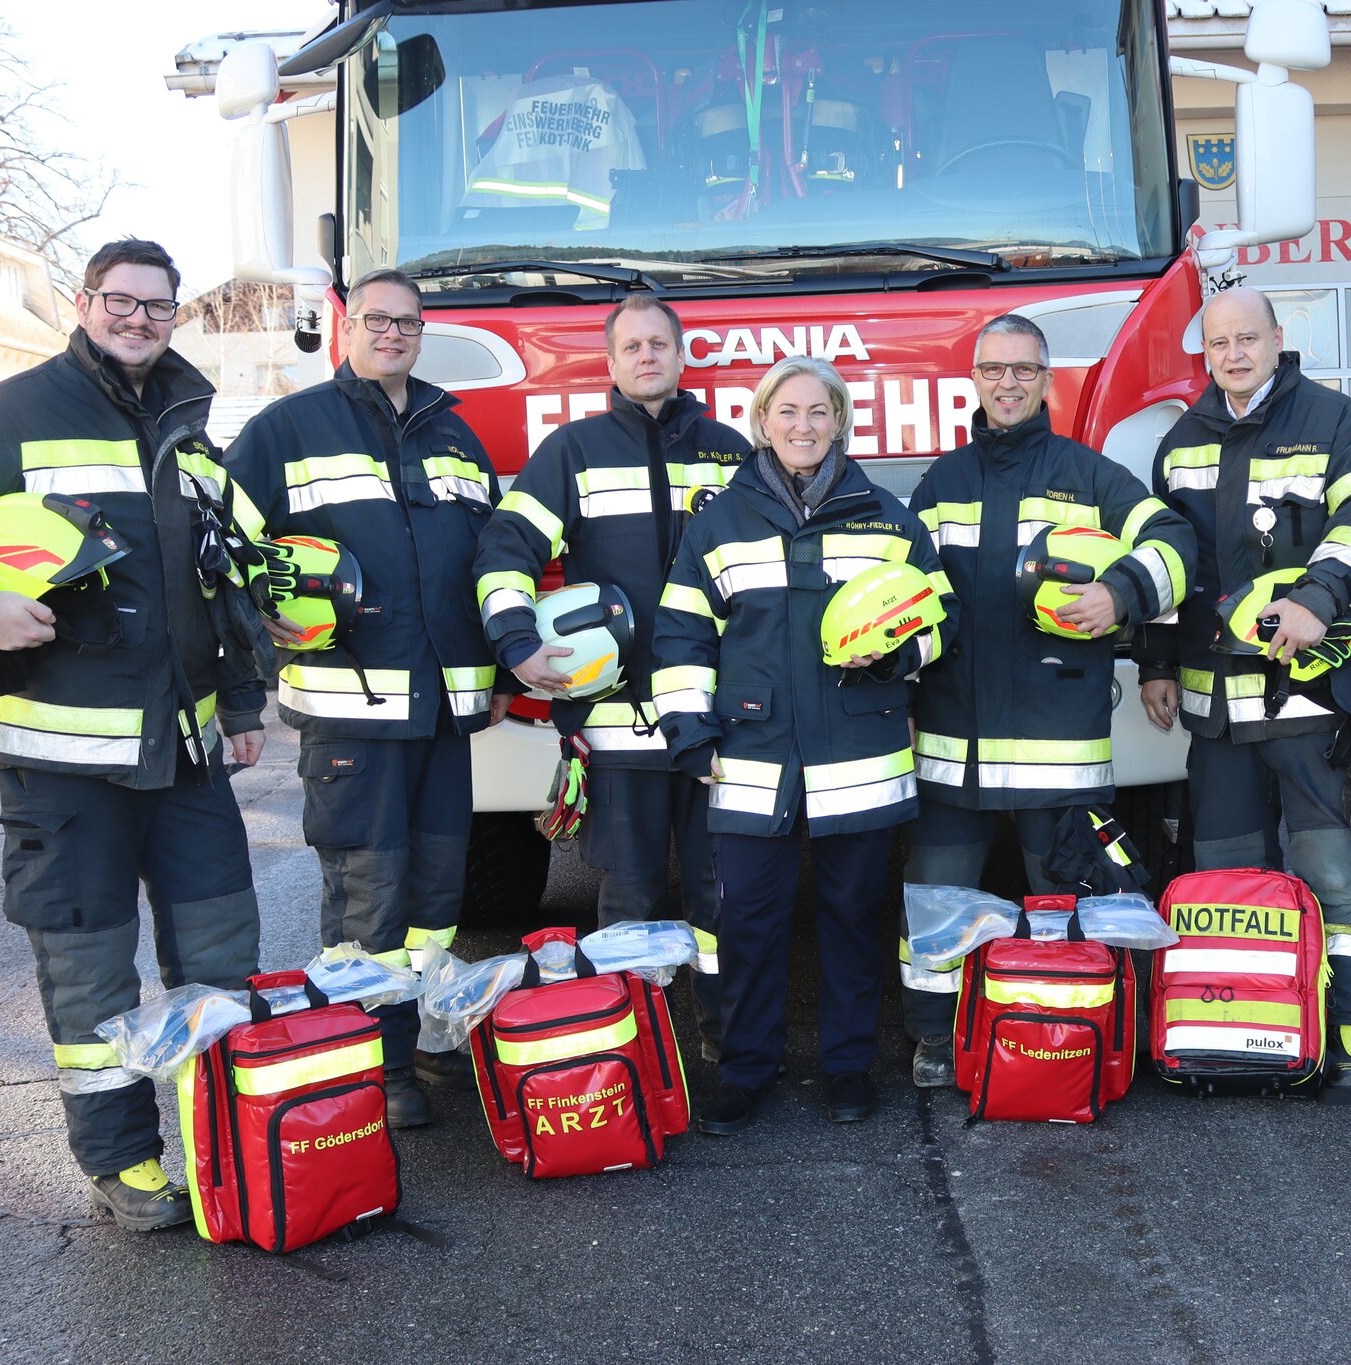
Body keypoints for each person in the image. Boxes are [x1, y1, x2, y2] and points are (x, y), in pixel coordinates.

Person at [0, 239, 265, 1230]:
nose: (138, 318)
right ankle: (123, 1165)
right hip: (60, 765)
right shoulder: (15, 412)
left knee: (222, 958)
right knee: (90, 975)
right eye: (120, 300)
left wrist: (240, 703)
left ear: (176, 315)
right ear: (82, 301)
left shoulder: (187, 425)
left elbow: (224, 575)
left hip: (185, 754)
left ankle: (230, 1147)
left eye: (157, 305)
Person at [226, 269, 514, 1128]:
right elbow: (223, 548)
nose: (394, 334)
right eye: (378, 319)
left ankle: (423, 1039)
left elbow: (490, 562)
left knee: (435, 898)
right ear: (347, 326)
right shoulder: (287, 428)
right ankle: (374, 1065)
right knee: (368, 899)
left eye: (409, 322)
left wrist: (499, 675)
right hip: (350, 714)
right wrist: (260, 622)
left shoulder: (454, 433)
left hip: (444, 713)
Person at [652, 356, 956, 1134]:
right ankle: (746, 1070)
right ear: (763, 421)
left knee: (853, 915)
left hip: (860, 755)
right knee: (748, 920)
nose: (803, 425)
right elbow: (681, 633)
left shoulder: (887, 517)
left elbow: (941, 618)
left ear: (840, 421)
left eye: (818, 411)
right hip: (750, 755)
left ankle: (849, 1067)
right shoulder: (719, 520)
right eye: (787, 411)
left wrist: (895, 654)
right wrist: (689, 732)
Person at [900, 313, 1193, 1086]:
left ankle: (1082, 1032)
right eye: (994, 369)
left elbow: (1174, 540)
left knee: (1072, 904)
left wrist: (1121, 593)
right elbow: (908, 594)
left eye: (1024, 369)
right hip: (954, 745)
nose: (1008, 383)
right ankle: (934, 1039)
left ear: (1045, 380)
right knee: (936, 906)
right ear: (975, 379)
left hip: (1056, 745)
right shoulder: (943, 482)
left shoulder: (1089, 475)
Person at [1135, 286, 1351, 1100]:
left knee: (1338, 881)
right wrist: (1155, 661)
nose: (1235, 354)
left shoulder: (1335, 422)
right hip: (1219, 718)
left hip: (1311, 707)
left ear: (1278, 338)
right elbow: (1168, 565)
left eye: (1248, 338)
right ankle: (1246, 1044)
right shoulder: (1181, 440)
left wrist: (1319, 596)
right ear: (1206, 353)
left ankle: (1350, 1047)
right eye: (1220, 344)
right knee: (1228, 889)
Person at [473, 295, 752, 1060]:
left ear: (682, 355)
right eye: (632, 346)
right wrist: (515, 643)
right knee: (629, 900)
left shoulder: (731, 453)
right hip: (617, 727)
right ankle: (629, 1056)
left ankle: (729, 1049)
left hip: (716, 721)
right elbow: (505, 547)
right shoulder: (574, 451)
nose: (647, 356)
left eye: (659, 343)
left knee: (722, 896)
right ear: (611, 360)